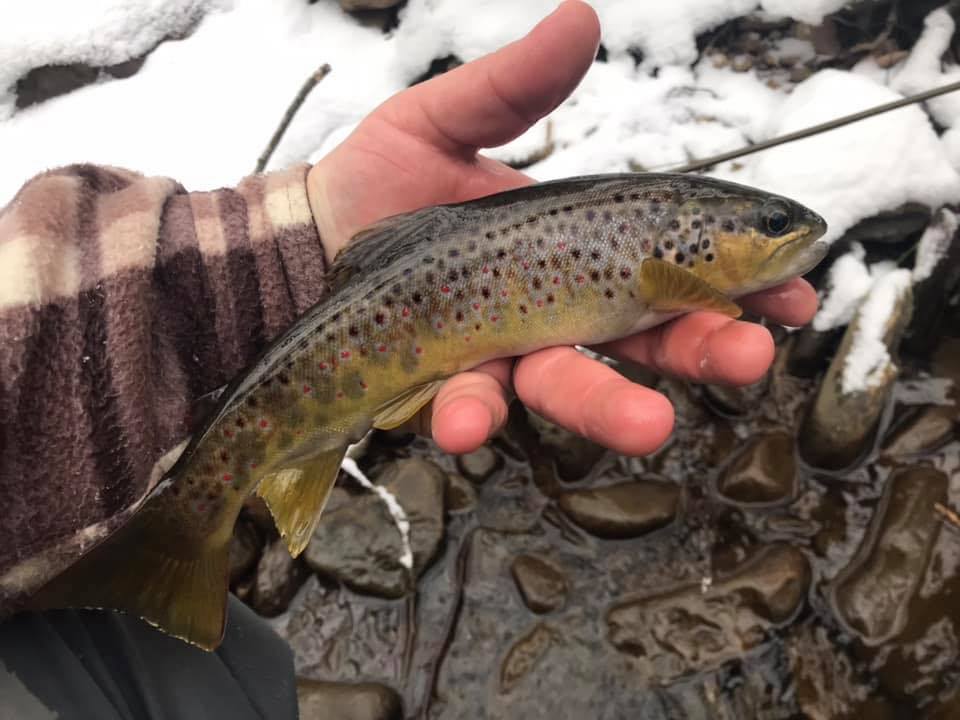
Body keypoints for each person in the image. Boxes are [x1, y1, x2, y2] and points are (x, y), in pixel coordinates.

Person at [0, 2, 819, 717]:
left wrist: (287, 246)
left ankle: (171, 551)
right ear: (691, 247)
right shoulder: (678, 264)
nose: (797, 235)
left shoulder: (670, 242)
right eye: (774, 226)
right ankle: (176, 542)